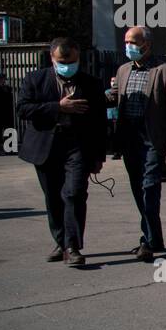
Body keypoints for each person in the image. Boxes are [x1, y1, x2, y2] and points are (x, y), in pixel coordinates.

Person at [17, 38, 108, 267]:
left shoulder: (91, 84)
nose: (67, 65)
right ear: (52, 59)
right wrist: (58, 107)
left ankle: (72, 247)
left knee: (74, 194)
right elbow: (23, 109)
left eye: (72, 61)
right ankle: (61, 241)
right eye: (62, 61)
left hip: (78, 146)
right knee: (54, 198)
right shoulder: (35, 80)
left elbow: (99, 122)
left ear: (79, 59)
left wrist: (99, 156)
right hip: (46, 147)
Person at [107, 25, 166, 261]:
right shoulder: (122, 70)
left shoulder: (165, 71)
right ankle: (155, 236)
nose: (128, 46)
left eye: (132, 42)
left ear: (146, 45)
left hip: (153, 138)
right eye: (126, 42)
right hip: (129, 137)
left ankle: (146, 241)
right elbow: (115, 96)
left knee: (150, 187)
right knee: (138, 188)